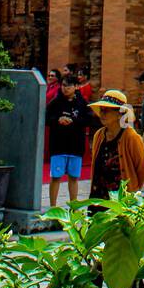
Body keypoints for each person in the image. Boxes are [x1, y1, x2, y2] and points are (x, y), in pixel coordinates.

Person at [80, 90, 144, 288]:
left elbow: (142, 170)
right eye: (102, 110)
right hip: (99, 198)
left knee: (123, 248)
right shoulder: (99, 135)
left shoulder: (131, 137)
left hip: (122, 201)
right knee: (95, 247)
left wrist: (131, 196)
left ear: (118, 113)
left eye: (107, 111)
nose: (102, 114)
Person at [46, 72, 94, 207]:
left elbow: (88, 119)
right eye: (63, 85)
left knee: (73, 177)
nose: (65, 88)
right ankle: (53, 206)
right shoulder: (56, 102)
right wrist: (58, 120)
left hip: (75, 145)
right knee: (55, 177)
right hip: (58, 145)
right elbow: (47, 118)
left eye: (68, 86)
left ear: (76, 87)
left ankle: (74, 206)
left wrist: (73, 120)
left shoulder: (82, 103)